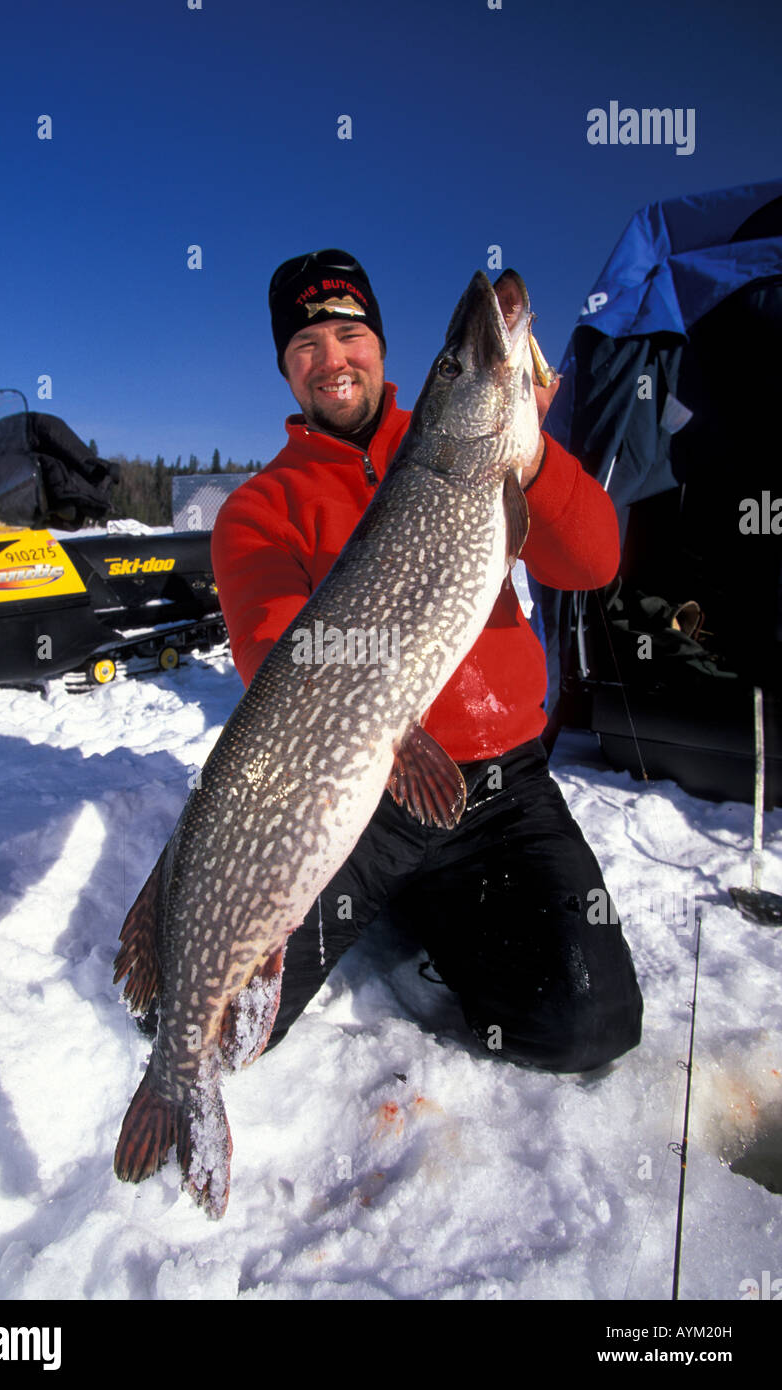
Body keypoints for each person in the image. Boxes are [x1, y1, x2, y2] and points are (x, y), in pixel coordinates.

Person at [210, 249, 643, 1073]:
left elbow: (591, 561)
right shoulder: (258, 509)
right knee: (223, 1023)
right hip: (361, 798)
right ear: (286, 368)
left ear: (378, 343)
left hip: (501, 787)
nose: (331, 360)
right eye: (306, 345)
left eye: (349, 333)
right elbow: (277, 659)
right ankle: (395, 899)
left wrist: (534, 456)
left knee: (592, 1025)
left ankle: (429, 922)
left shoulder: (469, 444)